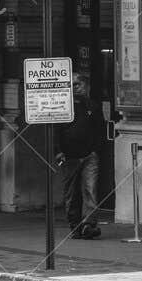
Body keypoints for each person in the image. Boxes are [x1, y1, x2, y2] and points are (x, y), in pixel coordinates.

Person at [55, 79, 106, 240]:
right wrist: (58, 151)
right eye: (72, 85)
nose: (75, 88)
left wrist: (96, 150)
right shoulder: (62, 106)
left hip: (89, 155)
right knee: (71, 192)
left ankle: (88, 224)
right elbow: (55, 130)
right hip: (69, 156)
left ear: (87, 86)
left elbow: (100, 129)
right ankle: (75, 225)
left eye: (78, 84)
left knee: (89, 189)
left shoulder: (92, 106)